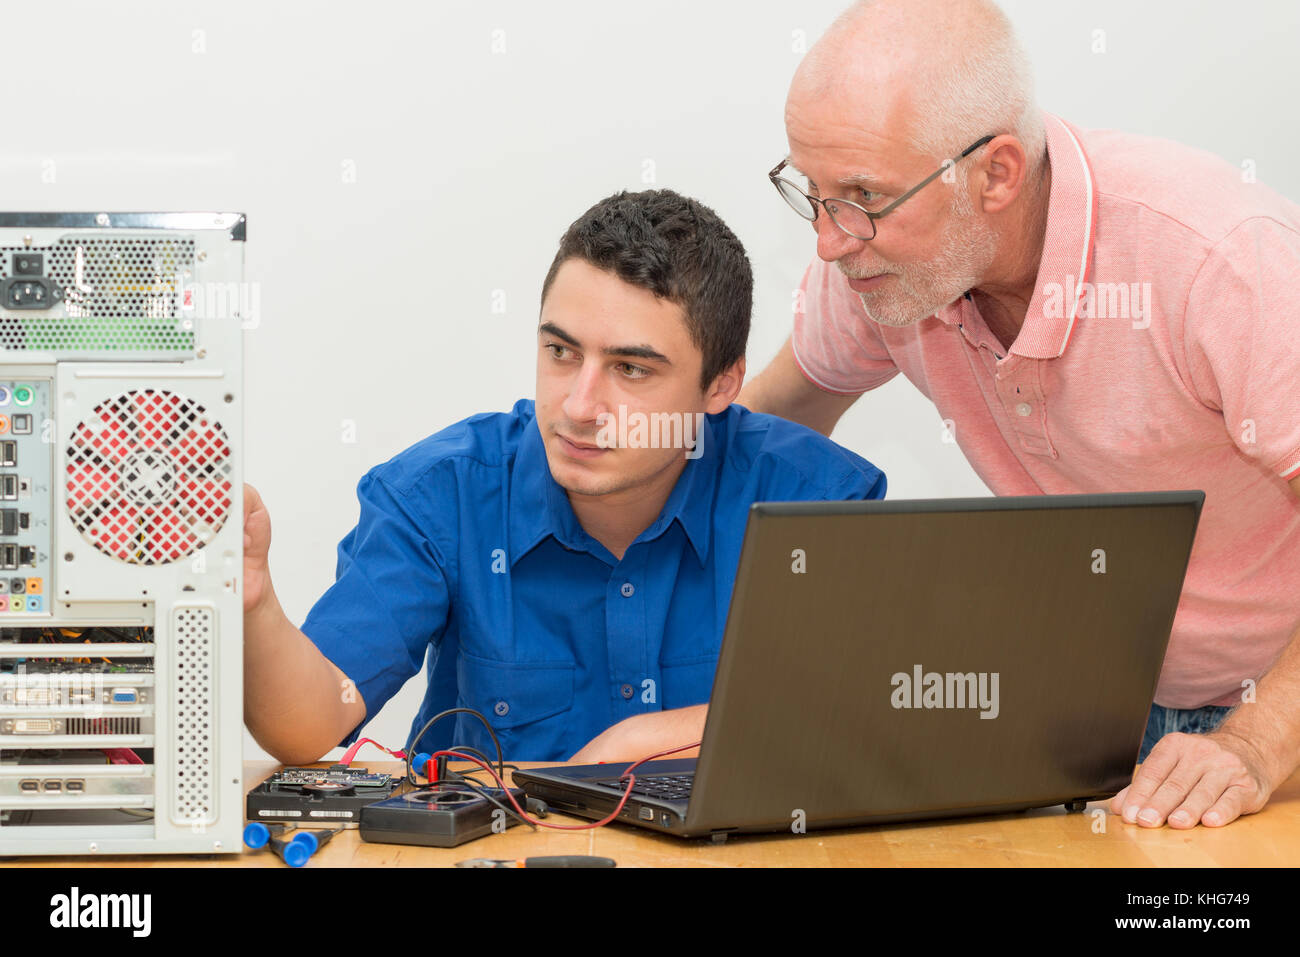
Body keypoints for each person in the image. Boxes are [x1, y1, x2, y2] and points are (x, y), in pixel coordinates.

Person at [739, 0, 1300, 828]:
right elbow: (766, 432)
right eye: (811, 192)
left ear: (996, 174)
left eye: (863, 195)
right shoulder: (878, 263)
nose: (828, 240)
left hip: (1274, 723)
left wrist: (1258, 742)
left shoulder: (1218, 258)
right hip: (1086, 714)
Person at [244, 188, 885, 765]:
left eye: (631, 369)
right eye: (561, 352)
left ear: (721, 384)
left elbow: (871, 713)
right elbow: (311, 726)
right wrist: (256, 605)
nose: (578, 407)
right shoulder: (441, 495)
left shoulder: (814, 500)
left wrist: (642, 742)